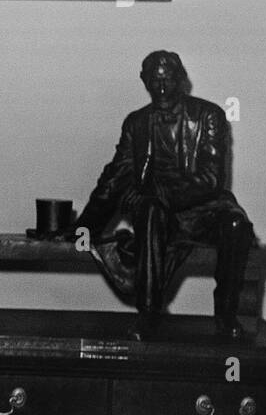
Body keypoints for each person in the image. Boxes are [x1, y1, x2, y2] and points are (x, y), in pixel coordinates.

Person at [78, 50, 254, 340]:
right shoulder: (136, 123)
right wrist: (82, 227)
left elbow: (211, 179)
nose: (161, 87)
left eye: (168, 80)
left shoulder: (209, 116)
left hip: (203, 206)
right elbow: (114, 177)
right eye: (154, 80)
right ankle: (148, 314)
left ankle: (226, 314)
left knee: (236, 226)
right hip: (156, 211)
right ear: (144, 81)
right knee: (150, 211)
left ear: (181, 80)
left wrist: (166, 195)